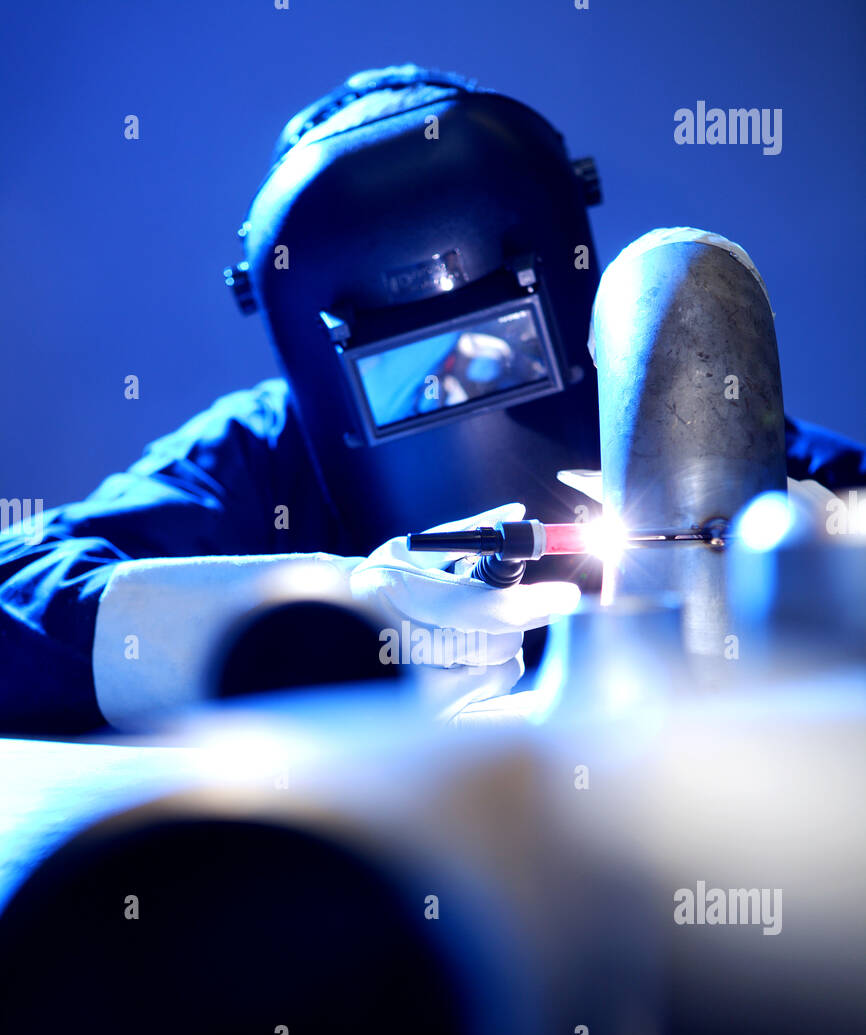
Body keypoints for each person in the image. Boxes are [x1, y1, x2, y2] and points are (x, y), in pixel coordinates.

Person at [0, 65, 862, 735]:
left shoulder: (669, 412)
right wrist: (335, 616)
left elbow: (836, 505)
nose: (457, 385)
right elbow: (13, 595)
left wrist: (816, 559)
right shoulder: (267, 455)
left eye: (494, 349)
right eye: (409, 374)